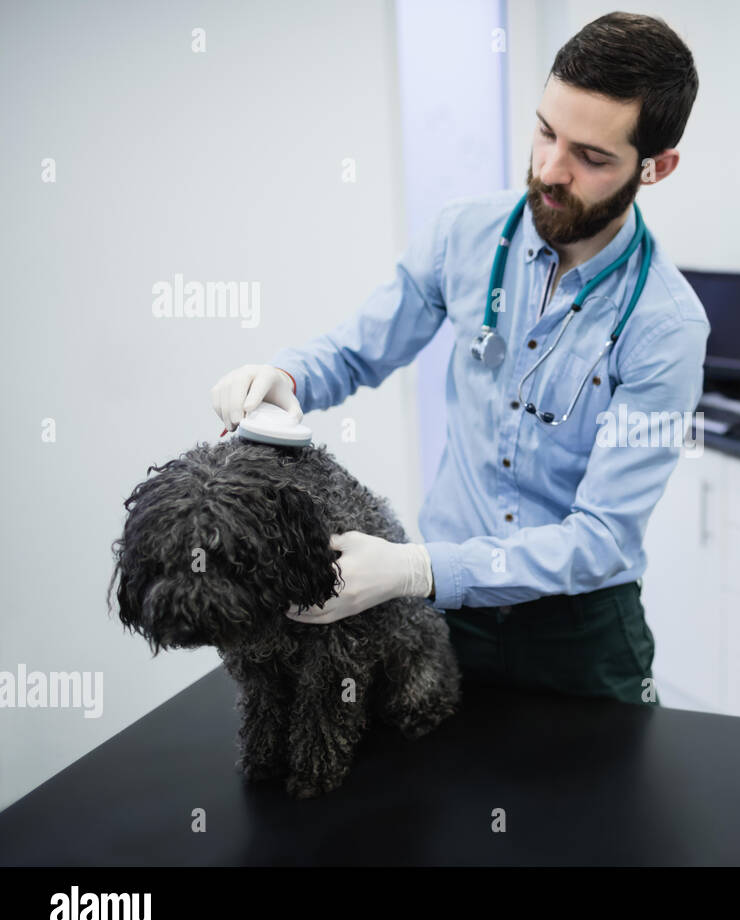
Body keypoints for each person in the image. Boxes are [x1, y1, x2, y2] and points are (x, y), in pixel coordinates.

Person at [209, 13, 706, 707]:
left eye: (592, 157)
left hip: (578, 637)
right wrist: (286, 376)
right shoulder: (464, 235)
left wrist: (416, 569)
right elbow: (355, 351)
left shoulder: (667, 327)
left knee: (598, 815)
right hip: (448, 622)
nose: (551, 171)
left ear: (656, 167)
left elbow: (600, 540)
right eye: (544, 132)